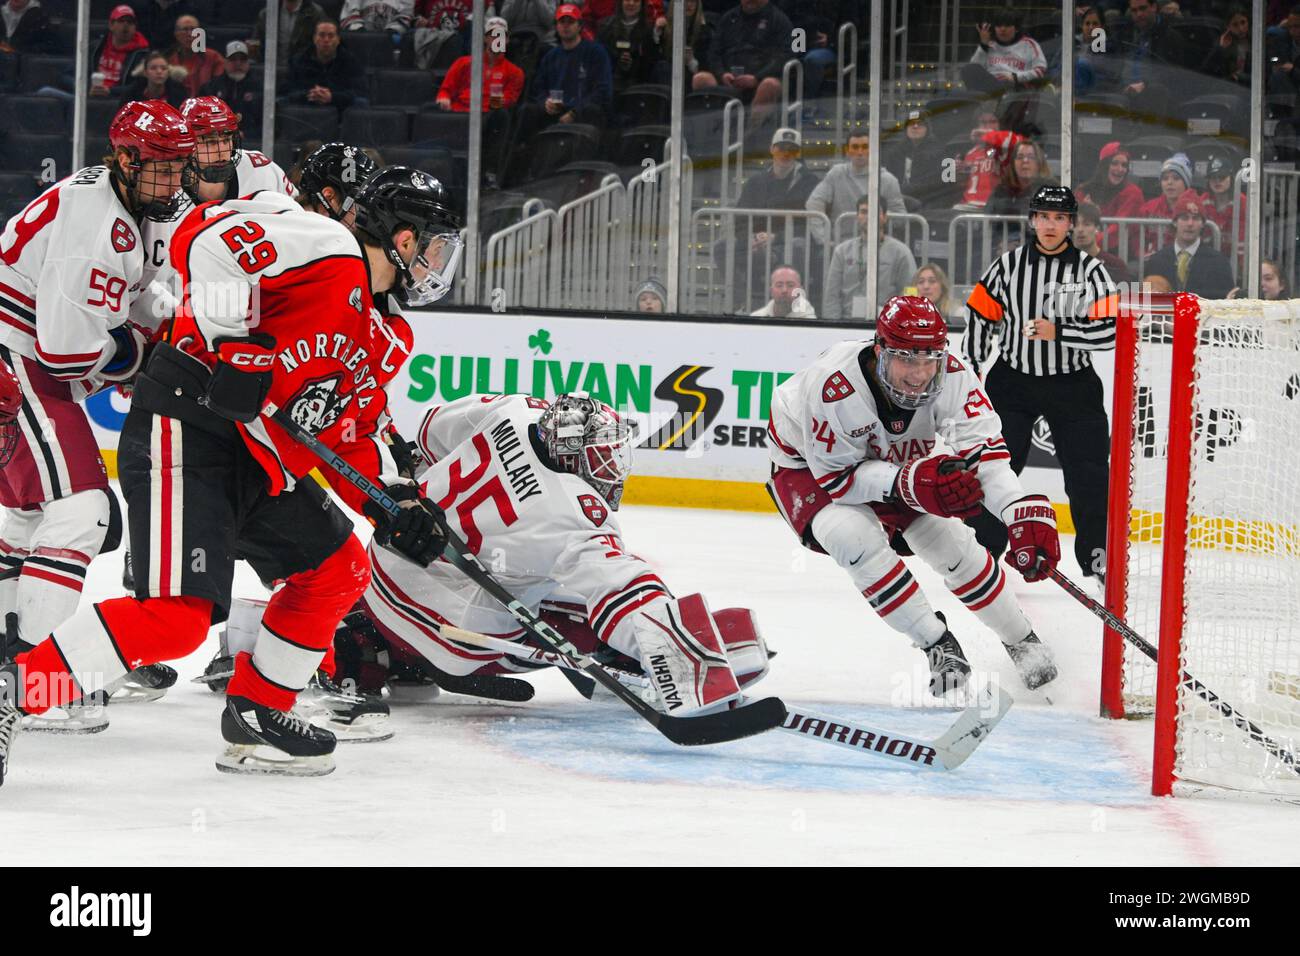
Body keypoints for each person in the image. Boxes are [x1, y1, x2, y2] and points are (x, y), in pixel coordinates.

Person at [0, 167, 465, 784]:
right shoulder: (326, 246)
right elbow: (207, 233)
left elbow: (343, 433)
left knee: (337, 569)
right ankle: (19, 689)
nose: (439, 262)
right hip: (188, 428)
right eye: (435, 244)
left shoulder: (388, 333)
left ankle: (257, 714)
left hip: (255, 459)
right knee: (176, 620)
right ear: (402, 239)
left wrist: (390, 502)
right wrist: (228, 343)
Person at [321, 393, 760, 714]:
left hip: (384, 565)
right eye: (600, 461)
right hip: (448, 633)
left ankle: (376, 639)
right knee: (584, 611)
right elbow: (624, 593)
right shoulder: (572, 515)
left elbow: (431, 431)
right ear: (571, 458)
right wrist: (672, 645)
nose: (610, 473)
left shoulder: (516, 410)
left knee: (537, 570)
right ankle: (655, 661)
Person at [0, 102, 195, 741]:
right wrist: (141, 348)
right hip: (17, 357)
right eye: (158, 170)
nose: (170, 183)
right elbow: (66, 353)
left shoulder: (124, 206)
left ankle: (15, 665)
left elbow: (139, 298)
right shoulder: (99, 226)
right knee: (84, 509)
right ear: (125, 159)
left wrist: (140, 328)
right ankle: (24, 677)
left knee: (27, 519)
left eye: (177, 169)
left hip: (18, 355)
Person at [766, 295, 1062, 698]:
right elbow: (841, 481)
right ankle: (937, 643)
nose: (919, 374)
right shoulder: (834, 388)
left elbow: (987, 456)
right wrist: (913, 481)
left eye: (929, 359)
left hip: (893, 460)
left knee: (951, 544)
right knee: (854, 539)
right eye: (906, 358)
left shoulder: (953, 374)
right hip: (810, 468)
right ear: (879, 350)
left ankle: (1023, 641)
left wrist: (1018, 512)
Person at [962, 185, 1118, 589]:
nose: (1051, 225)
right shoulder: (1008, 266)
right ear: (1032, 220)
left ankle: (1097, 557)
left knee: (1089, 474)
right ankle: (984, 550)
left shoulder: (1091, 271)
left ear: (1071, 224)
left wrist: (1059, 332)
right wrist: (975, 372)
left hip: (1073, 384)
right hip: (1013, 380)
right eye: (1044, 216)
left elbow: (1109, 333)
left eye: (1059, 218)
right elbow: (981, 316)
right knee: (996, 468)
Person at [717, 127, 819, 308]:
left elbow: (811, 224)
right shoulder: (756, 181)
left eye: (792, 149)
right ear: (772, 149)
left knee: (798, 246)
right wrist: (751, 238)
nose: (785, 154)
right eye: (781, 148)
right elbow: (740, 219)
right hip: (755, 244)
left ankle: (793, 304)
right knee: (721, 247)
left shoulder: (810, 182)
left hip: (786, 245)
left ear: (798, 153)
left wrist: (775, 238)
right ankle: (738, 299)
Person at [507, 3, 613, 170]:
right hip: (555, 110)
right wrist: (545, 103)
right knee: (526, 110)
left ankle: (582, 171)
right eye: (561, 22)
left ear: (579, 26)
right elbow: (539, 88)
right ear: (556, 26)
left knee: (594, 110)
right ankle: (519, 170)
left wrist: (574, 112)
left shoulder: (595, 52)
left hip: (581, 110)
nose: (565, 26)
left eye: (570, 22)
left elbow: (602, 90)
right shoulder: (551, 56)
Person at [696, 0, 793, 128]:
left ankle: (750, 137)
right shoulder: (728, 18)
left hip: (760, 80)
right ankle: (709, 133)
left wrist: (757, 78)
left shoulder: (779, 20)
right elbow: (714, 52)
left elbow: (785, 56)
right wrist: (722, 73)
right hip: (728, 79)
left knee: (770, 84)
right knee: (701, 79)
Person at [824, 195, 916, 321]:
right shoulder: (842, 251)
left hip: (887, 324)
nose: (869, 217)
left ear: (884, 217)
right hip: (847, 323)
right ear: (857, 217)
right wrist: (833, 326)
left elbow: (909, 293)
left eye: (875, 212)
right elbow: (832, 296)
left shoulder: (901, 252)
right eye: (863, 212)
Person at [805, 132, 905, 247]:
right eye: (855, 147)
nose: (860, 152)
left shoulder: (888, 180)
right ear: (847, 151)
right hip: (840, 246)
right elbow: (813, 204)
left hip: (876, 246)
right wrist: (823, 239)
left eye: (865, 147)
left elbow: (900, 217)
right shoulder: (836, 174)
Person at [1142, 191, 1236, 299]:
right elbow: (1145, 302)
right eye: (1184, 218)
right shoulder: (1156, 261)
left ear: (1202, 224)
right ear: (1175, 222)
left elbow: (1227, 304)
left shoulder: (1219, 263)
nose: (1190, 224)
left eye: (1195, 218)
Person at [1116, 0, 1188, 118]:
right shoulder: (1125, 34)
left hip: (1153, 94)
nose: (1139, 14)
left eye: (1143, 8)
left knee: (1156, 91)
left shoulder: (1171, 36)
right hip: (1123, 92)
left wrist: (1145, 85)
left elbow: (1173, 74)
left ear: (1154, 7)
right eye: (1134, 10)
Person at [1075, 141, 1144, 258]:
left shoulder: (1133, 193)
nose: (1120, 169)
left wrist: (1094, 216)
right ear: (1104, 165)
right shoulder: (1084, 190)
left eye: (1124, 165)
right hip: (1085, 251)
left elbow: (1117, 231)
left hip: (1121, 256)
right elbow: (1072, 224)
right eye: (1114, 163)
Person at [288, 19, 368, 113]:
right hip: (306, 110)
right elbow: (290, 89)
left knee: (361, 102)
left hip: (340, 110)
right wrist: (310, 94)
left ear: (338, 40)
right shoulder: (299, 60)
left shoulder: (350, 61)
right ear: (314, 38)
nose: (326, 40)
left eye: (331, 36)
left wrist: (332, 97)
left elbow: (359, 91)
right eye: (322, 35)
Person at [961, 8, 1047, 93]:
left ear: (1016, 28)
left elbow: (1040, 70)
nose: (1002, 29)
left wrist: (1015, 77)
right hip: (991, 90)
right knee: (967, 70)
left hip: (1017, 90)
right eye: (998, 25)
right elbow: (973, 69)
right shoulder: (989, 46)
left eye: (1007, 25)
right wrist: (983, 45)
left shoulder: (1029, 45)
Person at [954, 110, 1023, 211]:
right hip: (967, 206)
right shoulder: (970, 153)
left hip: (994, 207)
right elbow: (961, 185)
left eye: (993, 122)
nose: (988, 126)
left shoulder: (1007, 149)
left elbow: (1019, 141)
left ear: (1000, 124)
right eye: (983, 122)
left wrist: (990, 135)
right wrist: (958, 173)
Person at [882, 110, 948, 209]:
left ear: (927, 129)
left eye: (920, 124)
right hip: (898, 201)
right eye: (911, 124)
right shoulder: (895, 152)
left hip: (928, 203)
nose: (915, 126)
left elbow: (939, 184)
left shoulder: (939, 152)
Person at [1138, 152, 1197, 254]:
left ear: (1186, 182)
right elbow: (1138, 239)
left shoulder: (1196, 207)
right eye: (1165, 178)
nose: (1169, 182)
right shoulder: (1149, 208)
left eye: (1176, 178)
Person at [597, 0, 661, 96]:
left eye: (636, 1)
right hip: (610, 83)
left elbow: (651, 65)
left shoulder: (650, 30)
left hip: (640, 87)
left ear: (642, 4)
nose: (631, 3)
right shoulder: (605, 26)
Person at [199, 42, 261, 135]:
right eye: (233, 59)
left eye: (242, 59)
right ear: (225, 62)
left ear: (248, 63)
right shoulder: (211, 87)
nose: (238, 64)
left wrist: (246, 134)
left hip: (252, 141)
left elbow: (267, 123)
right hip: (218, 140)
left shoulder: (259, 88)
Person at [985, 139, 1054, 219]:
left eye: (1031, 157)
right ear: (1013, 163)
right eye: (1020, 157)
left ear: (1039, 162)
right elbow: (988, 215)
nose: (1025, 161)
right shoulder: (1002, 189)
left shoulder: (1051, 189)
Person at [92, 6, 151, 95]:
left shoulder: (143, 54)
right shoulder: (96, 46)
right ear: (111, 25)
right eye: (121, 21)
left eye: (130, 22)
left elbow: (138, 86)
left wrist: (111, 91)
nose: (125, 25)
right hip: (91, 94)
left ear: (135, 27)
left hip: (121, 99)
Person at [166, 14, 225, 98]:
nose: (190, 34)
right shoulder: (168, 59)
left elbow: (221, 87)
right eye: (185, 29)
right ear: (176, 34)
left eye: (194, 30)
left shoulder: (214, 57)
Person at [652, 0, 709, 86]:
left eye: (692, 2)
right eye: (685, 1)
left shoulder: (703, 31)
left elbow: (705, 67)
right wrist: (656, 35)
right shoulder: (664, 27)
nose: (689, 5)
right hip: (666, 75)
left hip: (691, 77)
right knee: (663, 67)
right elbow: (652, 59)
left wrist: (692, 62)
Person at [1073, 201, 1132, 284]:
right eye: (1075, 224)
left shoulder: (1115, 265)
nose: (1080, 230)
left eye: (1086, 224)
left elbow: (1126, 295)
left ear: (1097, 228)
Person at [253, 0, 326, 64]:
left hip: (303, 70)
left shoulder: (316, 14)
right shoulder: (266, 13)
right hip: (271, 69)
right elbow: (257, 43)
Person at [118, 50, 189, 108]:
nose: (159, 72)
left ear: (168, 72)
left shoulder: (179, 94)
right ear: (145, 72)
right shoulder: (132, 94)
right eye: (153, 68)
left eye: (163, 68)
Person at [1204, 5, 1251, 85]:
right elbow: (1207, 72)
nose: (1241, 28)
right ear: (1228, 26)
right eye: (1235, 25)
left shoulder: (1256, 41)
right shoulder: (1223, 43)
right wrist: (1220, 49)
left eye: (1243, 22)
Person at [751, 265, 816, 319]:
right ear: (771, 290)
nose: (784, 290)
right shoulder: (755, 319)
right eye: (779, 285)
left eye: (790, 285)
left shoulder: (812, 324)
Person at [341, 0, 415, 35]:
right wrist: (358, 28)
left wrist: (394, 29)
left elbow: (406, 13)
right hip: (362, 34)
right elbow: (350, 12)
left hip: (392, 36)